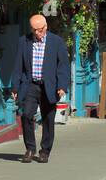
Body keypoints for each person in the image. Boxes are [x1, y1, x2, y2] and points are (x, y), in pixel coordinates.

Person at [11, 14, 70, 163]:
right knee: (26, 115)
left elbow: (63, 66)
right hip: (30, 85)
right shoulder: (24, 41)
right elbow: (18, 66)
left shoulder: (56, 42)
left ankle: (45, 151)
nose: (38, 33)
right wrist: (15, 87)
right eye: (35, 30)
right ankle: (30, 149)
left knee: (48, 119)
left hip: (49, 86)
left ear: (46, 27)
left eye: (40, 29)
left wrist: (62, 86)